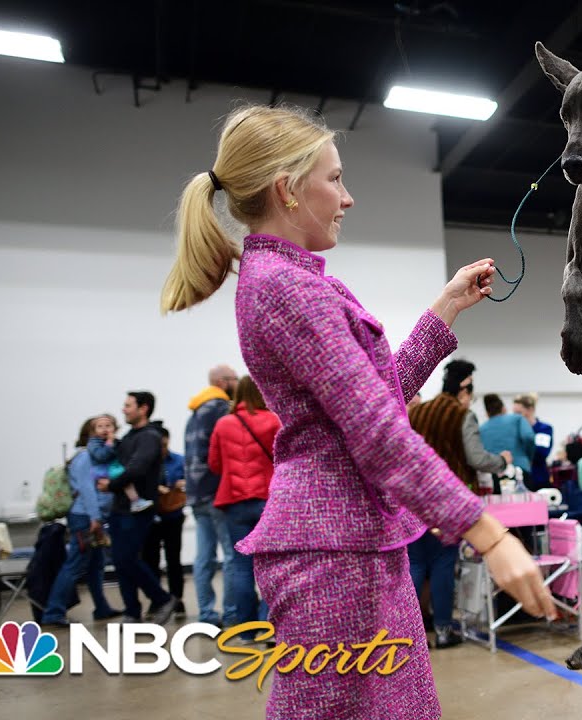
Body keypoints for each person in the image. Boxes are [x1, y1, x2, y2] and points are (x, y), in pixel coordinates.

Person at [159, 104, 554, 719]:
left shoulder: (292, 282)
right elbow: (376, 430)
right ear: (288, 190)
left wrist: (443, 311)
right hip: (331, 555)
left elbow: (371, 397)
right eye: (335, 178)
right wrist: (486, 530)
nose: (347, 197)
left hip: (352, 544)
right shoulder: (286, 289)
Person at [408, 361, 510, 648]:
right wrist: (502, 461)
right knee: (442, 565)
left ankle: (410, 635)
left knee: (415, 565)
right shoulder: (462, 415)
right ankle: (442, 630)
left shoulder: (418, 412)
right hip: (446, 504)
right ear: (465, 385)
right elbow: (477, 458)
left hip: (414, 502)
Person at [209, 375, 281, 642]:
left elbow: (214, 464)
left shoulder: (223, 424)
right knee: (272, 566)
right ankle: (269, 624)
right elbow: (284, 458)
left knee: (241, 568)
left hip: (234, 502)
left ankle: (246, 631)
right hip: (268, 501)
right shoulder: (272, 420)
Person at [97, 392, 178, 625]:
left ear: (143, 409)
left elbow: (137, 468)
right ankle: (132, 611)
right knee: (122, 562)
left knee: (126, 558)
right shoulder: (129, 436)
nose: (123, 410)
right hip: (120, 507)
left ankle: (162, 598)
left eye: (128, 405)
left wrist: (111, 484)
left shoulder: (149, 437)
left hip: (138, 509)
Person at [41, 416, 124, 626]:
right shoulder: (85, 457)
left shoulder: (98, 458)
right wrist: (95, 518)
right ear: (89, 433)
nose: (105, 431)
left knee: (96, 565)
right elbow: (87, 490)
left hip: (92, 517)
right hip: (84, 517)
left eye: (109, 427)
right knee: (75, 564)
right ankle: (53, 612)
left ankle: (101, 607)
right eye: (99, 428)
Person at [185, 365, 237, 626]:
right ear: (223, 382)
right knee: (230, 555)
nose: (238, 384)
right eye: (235, 380)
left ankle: (206, 613)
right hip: (217, 491)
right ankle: (231, 613)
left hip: (196, 493)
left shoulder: (195, 410)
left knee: (204, 556)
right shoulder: (219, 408)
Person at [143, 426, 187, 618]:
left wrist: (181, 484)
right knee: (150, 559)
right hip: (150, 516)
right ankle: (157, 600)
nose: (161, 447)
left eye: (164, 443)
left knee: (173, 559)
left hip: (173, 514)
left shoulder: (178, 460)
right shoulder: (145, 462)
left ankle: (176, 599)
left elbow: (188, 480)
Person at [479, 393, 536, 478]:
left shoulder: (481, 429)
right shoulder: (517, 419)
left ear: (487, 413)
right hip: (519, 470)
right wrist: (528, 458)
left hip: (494, 473)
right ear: (504, 409)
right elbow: (529, 437)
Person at [513, 393, 554, 489]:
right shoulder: (514, 431)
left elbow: (542, 453)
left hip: (538, 480)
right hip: (518, 480)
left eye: (519, 413)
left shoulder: (544, 429)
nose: (515, 417)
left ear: (530, 410)